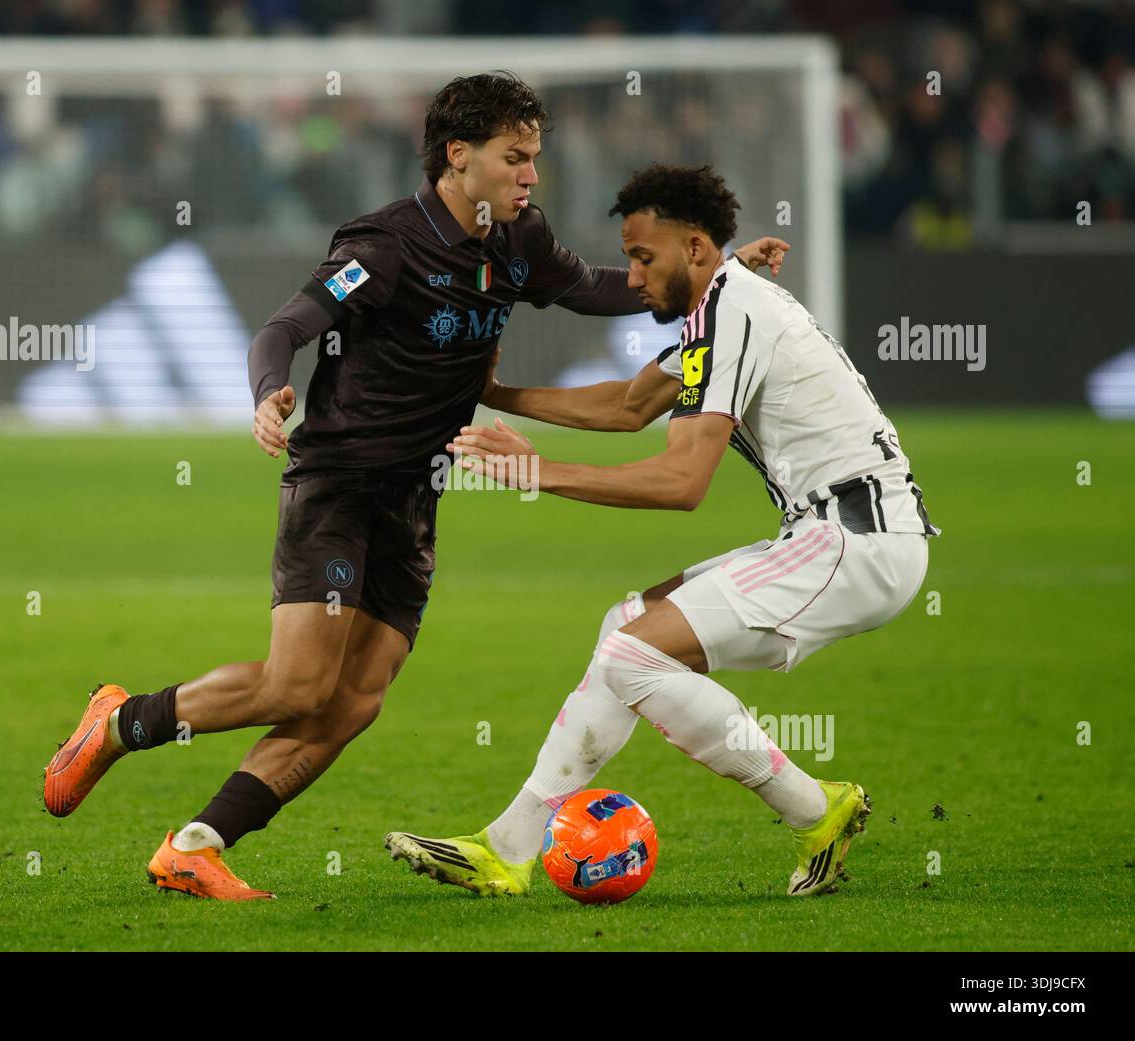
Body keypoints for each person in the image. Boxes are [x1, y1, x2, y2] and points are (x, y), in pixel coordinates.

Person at [42, 75, 790, 900]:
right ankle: (120, 721)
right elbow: (285, 328)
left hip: (415, 500)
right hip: (339, 486)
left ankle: (197, 844)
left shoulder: (521, 238)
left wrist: (716, 273)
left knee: (354, 700)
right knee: (299, 684)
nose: (531, 175)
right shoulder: (384, 246)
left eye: (534, 157)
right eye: (515, 157)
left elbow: (600, 288)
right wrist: (267, 393)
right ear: (458, 156)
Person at [386, 162, 938, 898]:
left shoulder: (732, 310)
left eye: (645, 257)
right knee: (627, 627)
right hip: (835, 534)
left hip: (855, 540)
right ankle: (507, 847)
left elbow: (682, 483)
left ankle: (815, 809)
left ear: (697, 249)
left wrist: (538, 471)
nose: (634, 277)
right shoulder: (723, 306)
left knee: (634, 654)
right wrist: (496, 394)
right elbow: (628, 405)